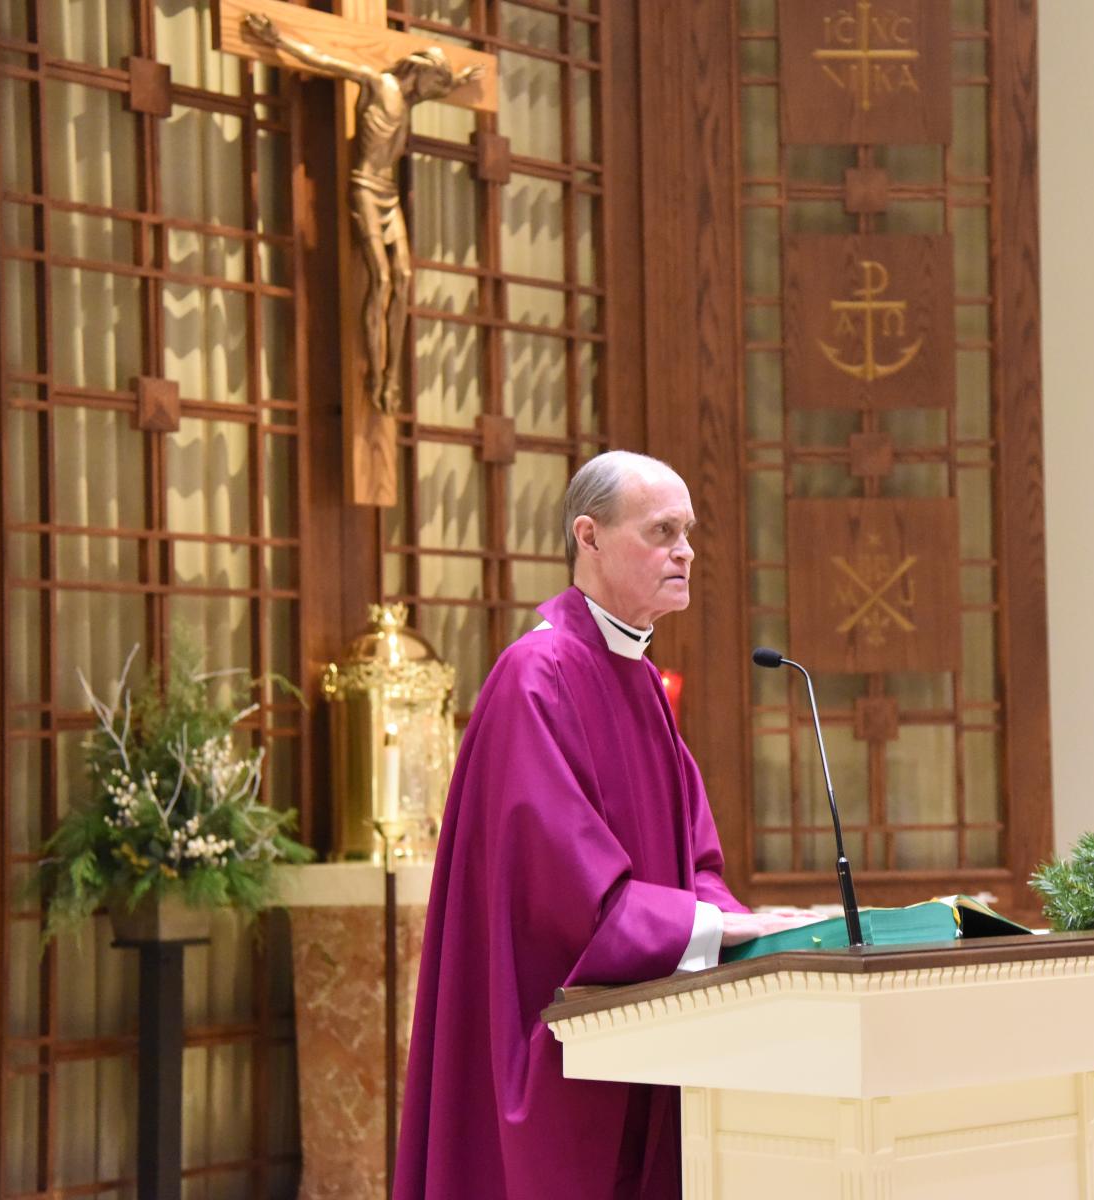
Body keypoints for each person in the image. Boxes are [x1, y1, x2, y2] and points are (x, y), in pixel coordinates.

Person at [395, 451, 816, 1199]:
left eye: (687, 533)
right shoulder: (537, 675)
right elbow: (566, 890)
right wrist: (707, 928)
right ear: (588, 537)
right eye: (662, 532)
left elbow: (695, 859)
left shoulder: (642, 680)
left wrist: (742, 925)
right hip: (558, 1032)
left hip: (644, 1025)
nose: (685, 552)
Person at [241, 13, 480, 413]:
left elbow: (442, 88)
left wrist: (458, 81)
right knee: (381, 279)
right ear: (418, 71)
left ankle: (392, 374)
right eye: (434, 81)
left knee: (404, 277)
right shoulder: (377, 82)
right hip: (365, 187)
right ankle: (375, 373)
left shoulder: (411, 98)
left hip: (388, 194)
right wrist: (277, 38)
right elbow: (322, 59)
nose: (435, 91)